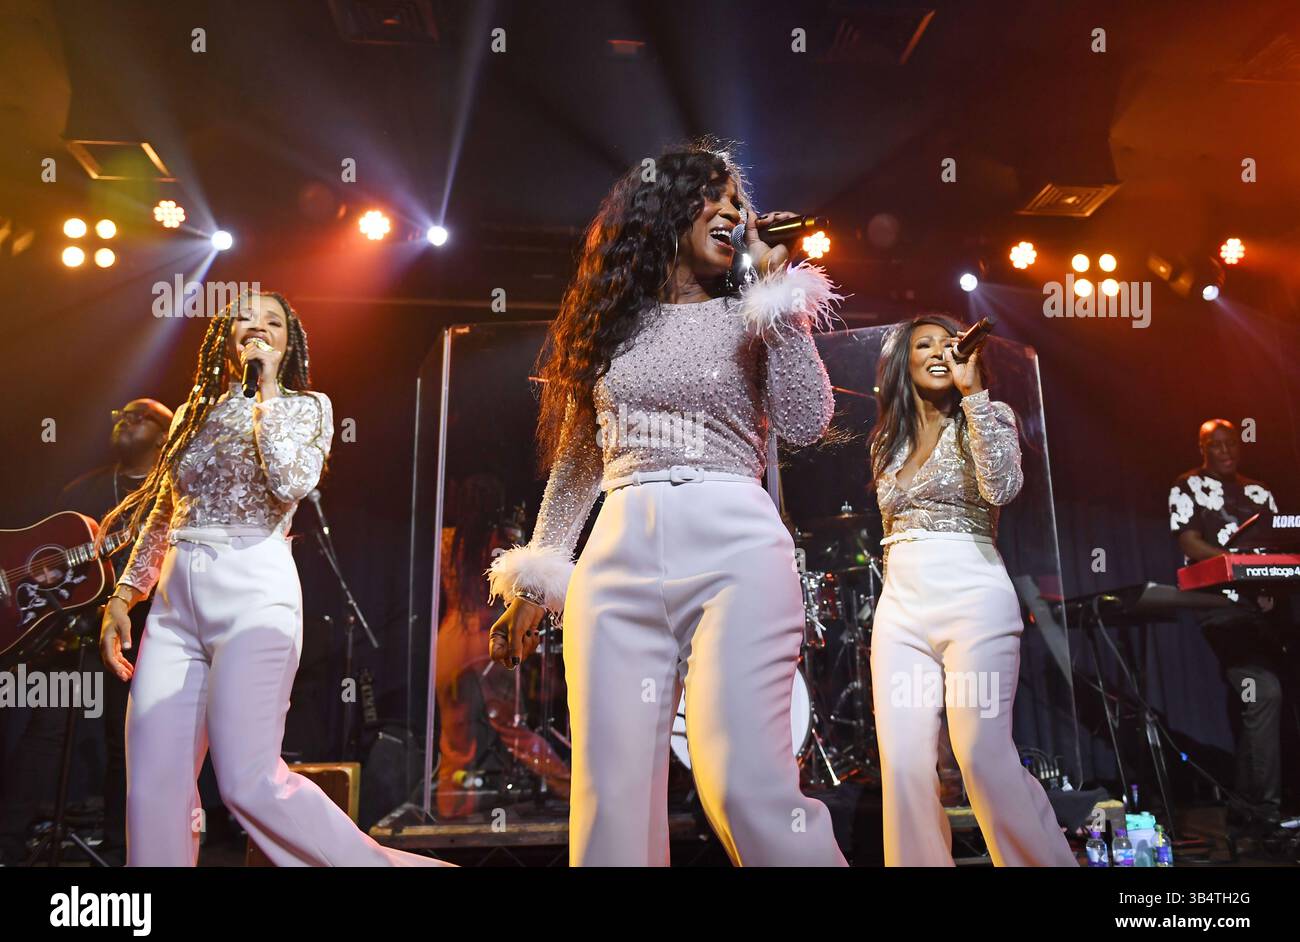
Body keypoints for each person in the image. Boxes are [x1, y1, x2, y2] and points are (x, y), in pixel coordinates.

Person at [487, 141, 848, 866]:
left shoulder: (752, 315)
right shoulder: (607, 328)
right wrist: (536, 576)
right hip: (617, 552)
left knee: (748, 786)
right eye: (711, 197)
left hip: (735, 547)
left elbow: (808, 420)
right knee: (610, 800)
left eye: (736, 202)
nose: (731, 211)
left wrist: (776, 300)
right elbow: (580, 459)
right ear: (662, 211)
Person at [97, 291, 447, 867]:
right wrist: (124, 593)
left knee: (247, 780)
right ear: (222, 337)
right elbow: (165, 507)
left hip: (253, 591)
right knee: (154, 783)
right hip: (174, 600)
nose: (257, 327)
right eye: (244, 318)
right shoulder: (192, 412)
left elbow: (290, 483)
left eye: (273, 322)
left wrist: (265, 393)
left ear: (289, 342)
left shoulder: (307, 406)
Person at [867, 314, 1076, 866]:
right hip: (902, 611)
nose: (939, 351)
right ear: (902, 363)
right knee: (907, 765)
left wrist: (975, 395)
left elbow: (1003, 486)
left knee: (980, 755)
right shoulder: (887, 440)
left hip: (974, 602)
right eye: (924, 344)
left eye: (948, 342)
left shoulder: (986, 417)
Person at [0, 399, 171, 866]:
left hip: (134, 631)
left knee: (125, 740)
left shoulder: (175, 494)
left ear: (165, 432)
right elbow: (38, 556)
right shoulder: (83, 489)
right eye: (120, 415)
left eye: (140, 416)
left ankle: (122, 852)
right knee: (44, 734)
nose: (125, 420)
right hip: (67, 630)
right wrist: (50, 595)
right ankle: (7, 848)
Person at [1168, 418, 1288, 831]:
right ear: (1202, 448)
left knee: (1264, 701)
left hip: (1269, 609)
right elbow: (1188, 540)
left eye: (1231, 443)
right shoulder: (1187, 486)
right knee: (1263, 691)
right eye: (1215, 445)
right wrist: (1233, 567)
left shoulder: (1259, 491)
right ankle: (1266, 811)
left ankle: (1246, 805)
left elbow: (1276, 545)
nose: (1224, 451)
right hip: (1221, 607)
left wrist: (1269, 580)